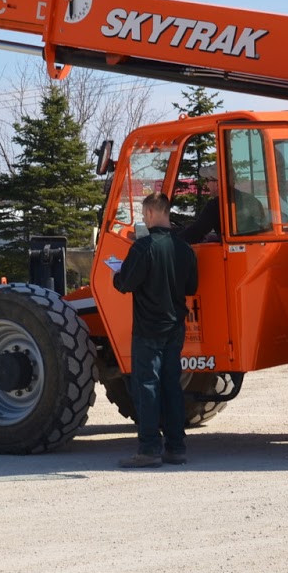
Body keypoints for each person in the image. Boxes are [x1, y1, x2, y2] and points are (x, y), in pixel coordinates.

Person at [111, 190, 199, 468]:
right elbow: (191, 288)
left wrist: (116, 274)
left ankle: (149, 449)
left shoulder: (143, 247)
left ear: (150, 213)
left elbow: (125, 284)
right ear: (167, 212)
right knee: (171, 385)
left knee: (147, 385)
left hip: (148, 327)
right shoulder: (185, 249)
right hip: (175, 326)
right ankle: (176, 447)